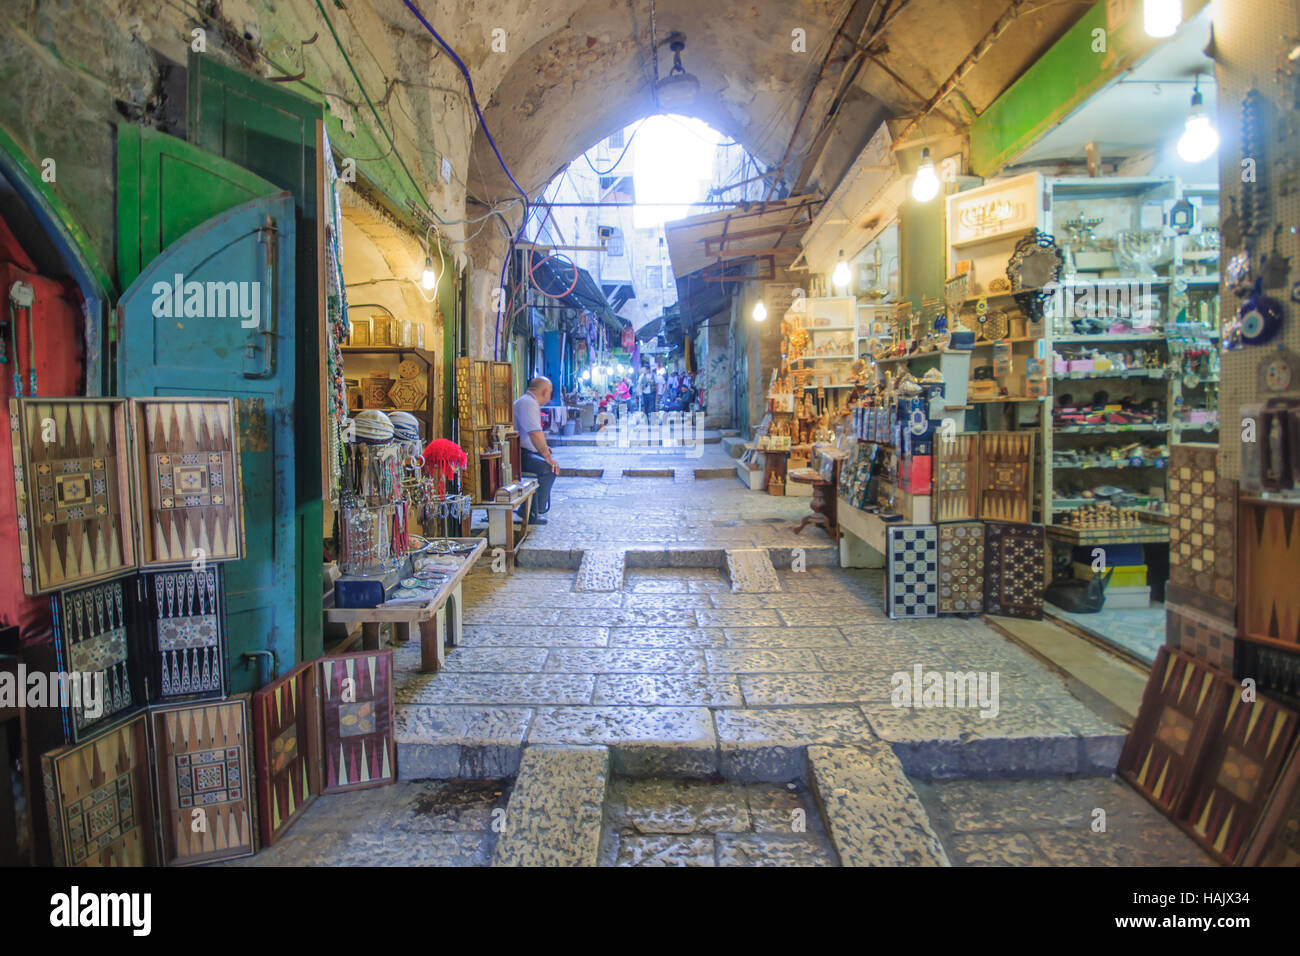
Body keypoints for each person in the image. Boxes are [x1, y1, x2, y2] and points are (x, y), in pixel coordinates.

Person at [512, 376, 560, 525]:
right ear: (545, 391)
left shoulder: (525, 401)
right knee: (549, 469)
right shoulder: (529, 404)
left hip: (523, 451)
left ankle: (527, 509)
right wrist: (546, 456)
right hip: (520, 455)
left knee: (547, 466)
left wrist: (544, 449)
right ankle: (534, 511)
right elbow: (534, 433)